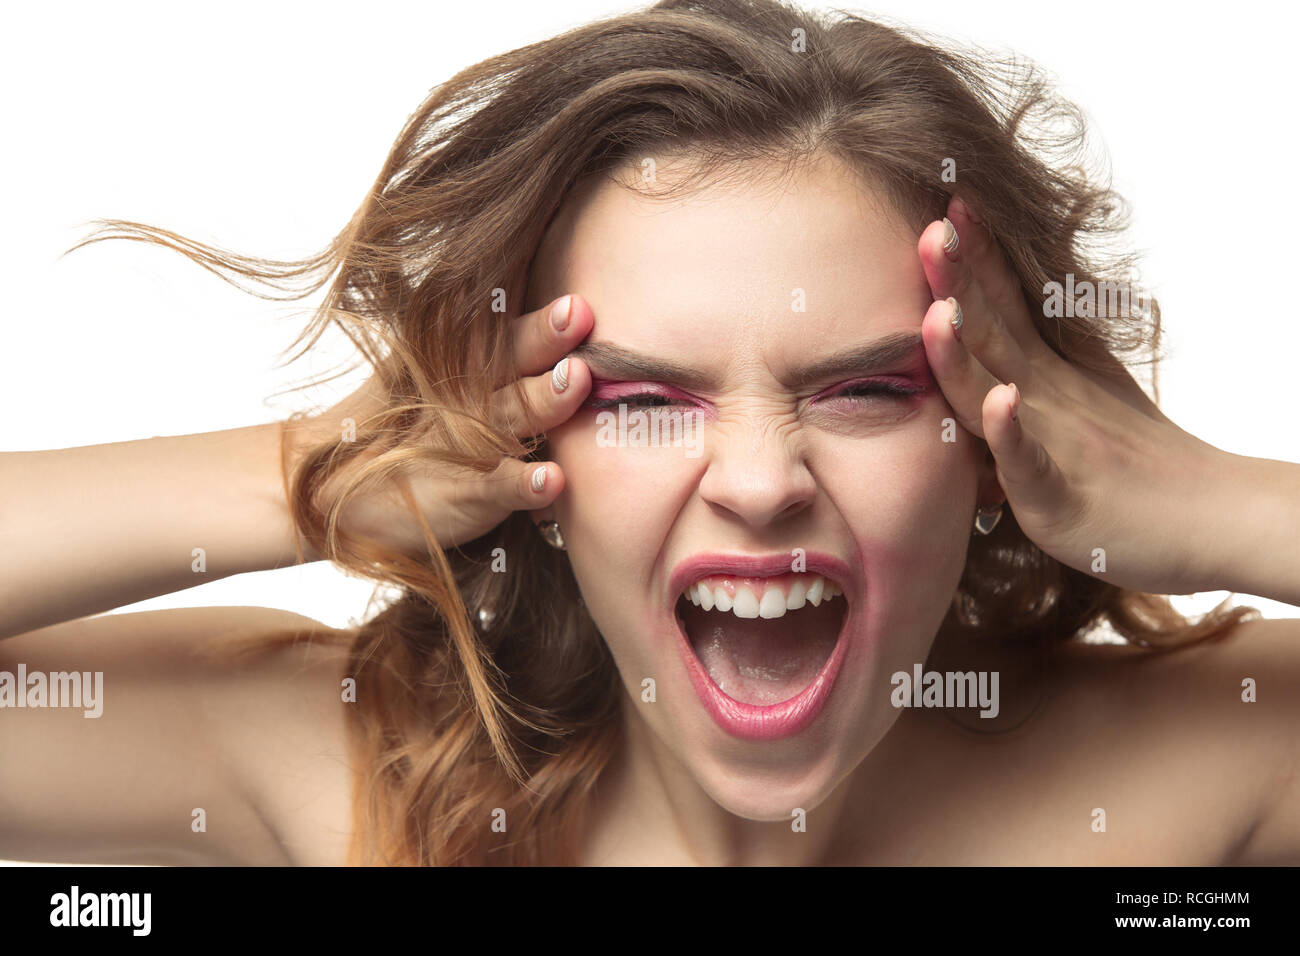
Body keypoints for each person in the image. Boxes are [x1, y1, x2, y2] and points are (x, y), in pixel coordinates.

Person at [2, 0, 1297, 866]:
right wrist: (308, 480)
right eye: (638, 400)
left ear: (993, 450)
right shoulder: (361, 768)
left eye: (863, 391)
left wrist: (1218, 503)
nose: (758, 479)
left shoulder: (1197, 766)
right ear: (528, 471)